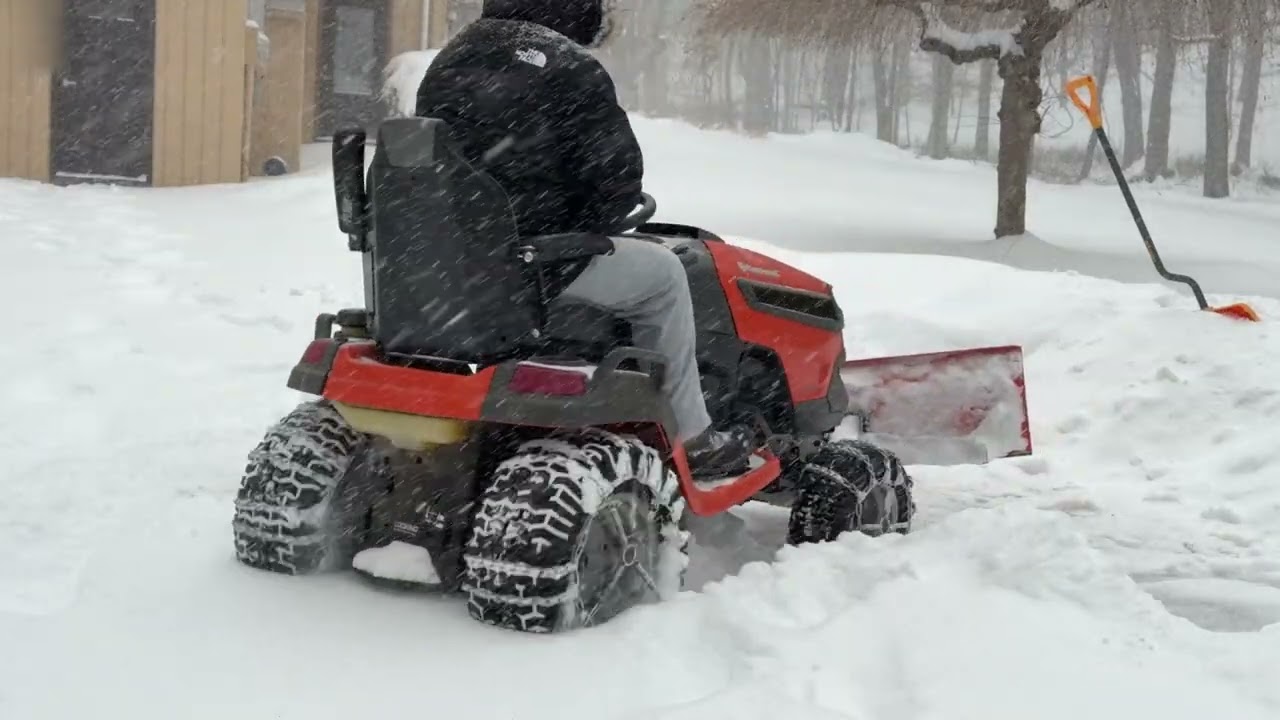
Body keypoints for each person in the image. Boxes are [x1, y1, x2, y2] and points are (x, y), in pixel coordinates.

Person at [415, 0, 753, 477]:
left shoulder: (448, 61)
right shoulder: (570, 68)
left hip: (450, 267)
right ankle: (694, 437)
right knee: (666, 273)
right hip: (527, 266)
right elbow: (615, 185)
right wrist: (587, 215)